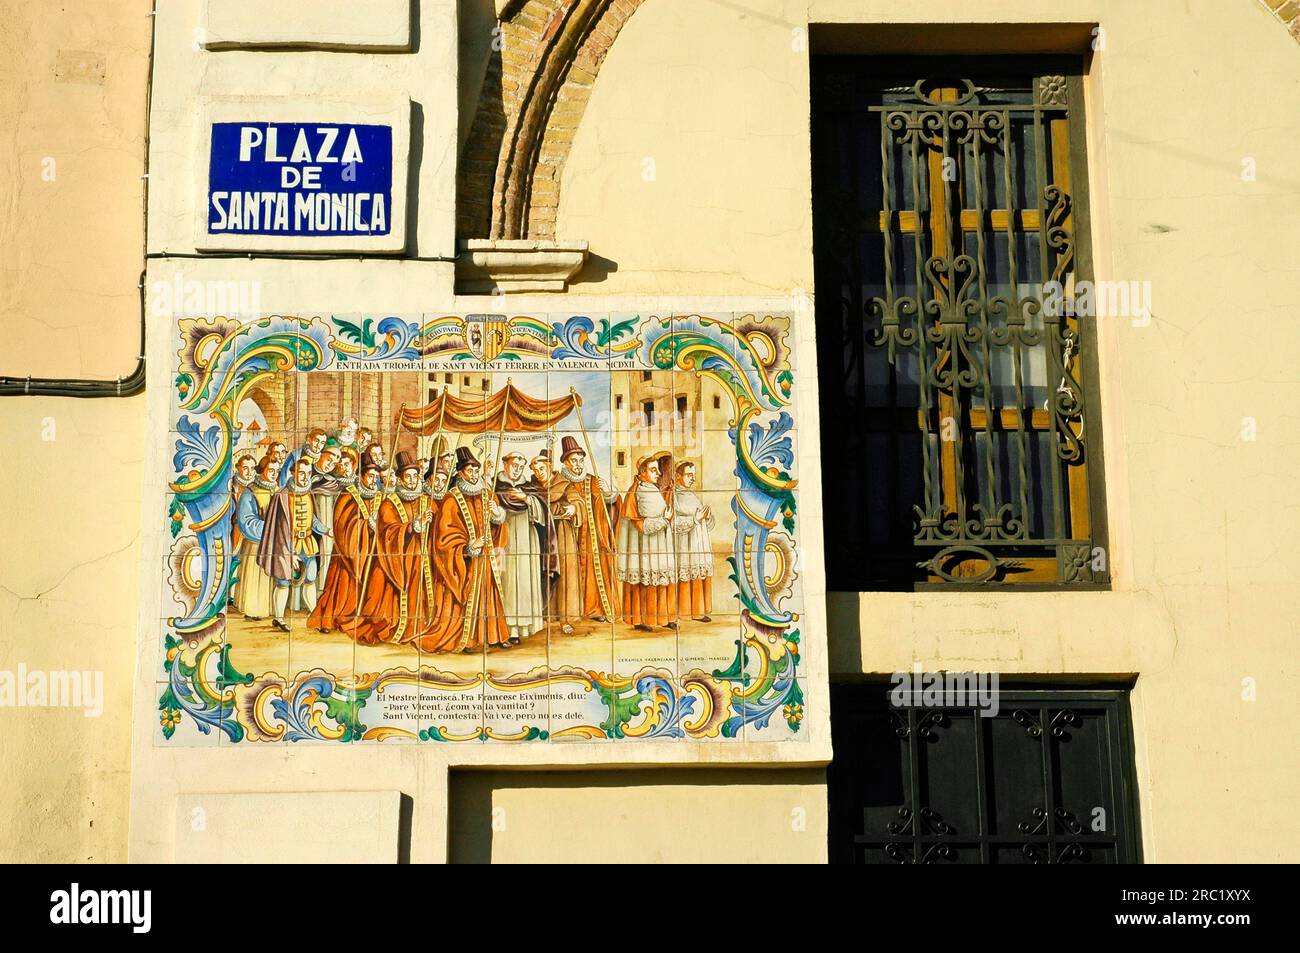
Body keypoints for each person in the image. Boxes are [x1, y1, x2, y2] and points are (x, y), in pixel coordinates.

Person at [420, 447, 511, 653]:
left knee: (491, 595)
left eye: (476, 470)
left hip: (487, 557)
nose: (473, 474)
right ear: (460, 473)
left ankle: (496, 635)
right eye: (469, 471)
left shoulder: (487, 493)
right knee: (468, 596)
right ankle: (469, 638)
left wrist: (497, 515)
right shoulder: (452, 499)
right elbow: (444, 536)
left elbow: (499, 526)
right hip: (466, 560)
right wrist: (468, 547)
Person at [340, 452, 435, 645]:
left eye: (415, 476)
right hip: (395, 561)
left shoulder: (427, 500)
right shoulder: (389, 503)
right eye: (407, 477)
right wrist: (413, 526)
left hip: (421, 559)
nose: (411, 480)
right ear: (399, 479)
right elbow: (388, 534)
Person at [546, 436, 619, 631]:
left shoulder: (591, 481)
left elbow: (607, 505)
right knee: (567, 574)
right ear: (565, 462)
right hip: (566, 536)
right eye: (573, 460)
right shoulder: (558, 481)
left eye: (580, 460)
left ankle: (593, 609)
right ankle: (566, 613)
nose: (578, 465)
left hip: (590, 535)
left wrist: (608, 493)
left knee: (592, 573)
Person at [308, 456, 381, 633]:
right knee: (341, 590)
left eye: (376, 477)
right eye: (371, 476)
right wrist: (365, 525)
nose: (374, 481)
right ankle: (330, 619)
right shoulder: (348, 494)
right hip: (347, 554)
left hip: (370, 551)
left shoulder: (378, 496)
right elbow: (342, 526)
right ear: (362, 476)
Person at [257, 455, 329, 631]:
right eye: (301, 473)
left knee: (310, 580)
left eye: (308, 473)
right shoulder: (281, 496)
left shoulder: (309, 494)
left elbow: (313, 520)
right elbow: (280, 529)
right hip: (287, 548)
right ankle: (279, 618)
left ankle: (314, 617)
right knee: (283, 583)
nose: (304, 477)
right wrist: (290, 553)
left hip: (308, 545)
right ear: (293, 474)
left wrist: (327, 530)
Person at [617, 451, 678, 631]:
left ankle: (664, 618)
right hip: (644, 547)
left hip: (658, 544)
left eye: (658, 470)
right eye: (653, 470)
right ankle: (643, 619)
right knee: (646, 582)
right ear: (643, 472)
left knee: (661, 580)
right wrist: (665, 520)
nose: (658, 474)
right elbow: (643, 526)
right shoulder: (639, 491)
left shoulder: (651, 489)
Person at [495, 451, 546, 643]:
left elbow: (541, 513)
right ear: (505, 464)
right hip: (504, 541)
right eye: (513, 464)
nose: (516, 469)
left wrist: (526, 499)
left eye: (520, 466)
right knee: (507, 583)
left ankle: (524, 627)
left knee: (524, 582)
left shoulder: (528, 487)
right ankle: (507, 628)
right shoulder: (495, 485)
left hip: (526, 539)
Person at [233, 454, 279, 620]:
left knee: (269, 578)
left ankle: (269, 609)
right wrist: (269, 530)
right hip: (255, 544)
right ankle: (252, 610)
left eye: (277, 470)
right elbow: (246, 521)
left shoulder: (277, 490)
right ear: (262, 471)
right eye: (271, 470)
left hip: (273, 544)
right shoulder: (250, 491)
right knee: (255, 578)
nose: (274, 474)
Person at [671, 461, 715, 622]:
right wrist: (694, 519)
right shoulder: (672, 497)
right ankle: (684, 611)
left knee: (699, 574)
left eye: (693, 475)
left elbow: (708, 524)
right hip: (684, 546)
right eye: (689, 475)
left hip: (698, 543)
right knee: (686, 576)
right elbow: (671, 524)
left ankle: (698, 611)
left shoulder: (692, 496)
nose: (693, 479)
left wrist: (708, 517)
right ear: (677, 476)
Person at [521, 450, 560, 608]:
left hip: (560, 534)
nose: (538, 473)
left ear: (549, 467)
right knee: (539, 571)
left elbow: (576, 501)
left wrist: (573, 508)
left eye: (541, 469)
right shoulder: (532, 487)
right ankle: (542, 607)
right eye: (535, 470)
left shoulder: (562, 483)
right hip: (540, 533)